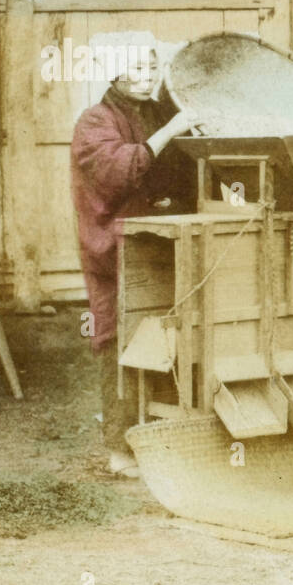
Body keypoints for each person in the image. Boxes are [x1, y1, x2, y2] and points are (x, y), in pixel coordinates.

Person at [70, 44, 199, 477]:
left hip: (159, 240)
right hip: (115, 249)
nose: (148, 75)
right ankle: (120, 449)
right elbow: (116, 171)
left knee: (170, 336)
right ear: (114, 71)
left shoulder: (159, 111)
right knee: (120, 339)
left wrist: (169, 194)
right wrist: (171, 132)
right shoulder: (95, 121)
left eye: (152, 66)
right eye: (137, 67)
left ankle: (161, 438)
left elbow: (176, 169)